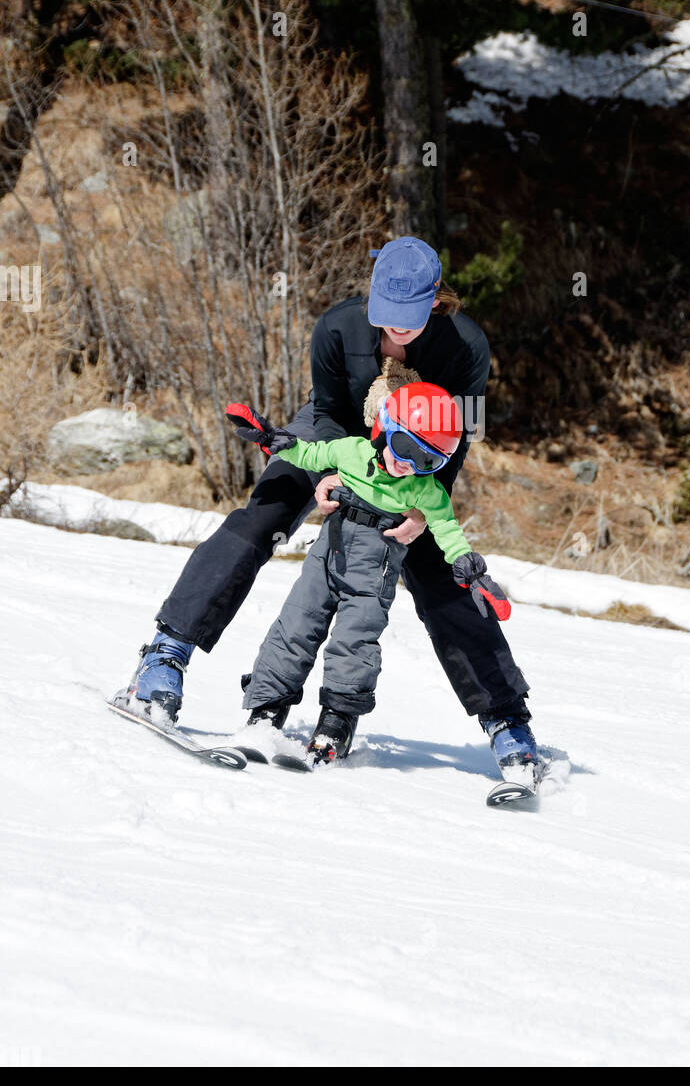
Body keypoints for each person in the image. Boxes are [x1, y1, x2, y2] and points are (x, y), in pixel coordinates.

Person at [116, 236, 536, 774]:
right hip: (335, 430)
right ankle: (165, 653)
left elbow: (457, 440)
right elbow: (331, 412)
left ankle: (506, 719)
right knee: (265, 514)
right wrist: (332, 472)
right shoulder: (338, 328)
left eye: (408, 318)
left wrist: (420, 512)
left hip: (419, 452)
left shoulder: (468, 347)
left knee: (435, 565)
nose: (394, 331)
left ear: (435, 300)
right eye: (385, 317)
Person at [226, 377, 527, 776]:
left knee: (354, 643)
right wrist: (274, 439)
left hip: (373, 576)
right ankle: (265, 713)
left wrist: (470, 568)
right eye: (404, 447)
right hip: (324, 560)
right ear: (384, 428)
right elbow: (311, 453)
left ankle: (336, 723)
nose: (409, 464)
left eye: (428, 460)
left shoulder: (425, 491)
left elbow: (447, 529)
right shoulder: (350, 451)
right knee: (294, 627)